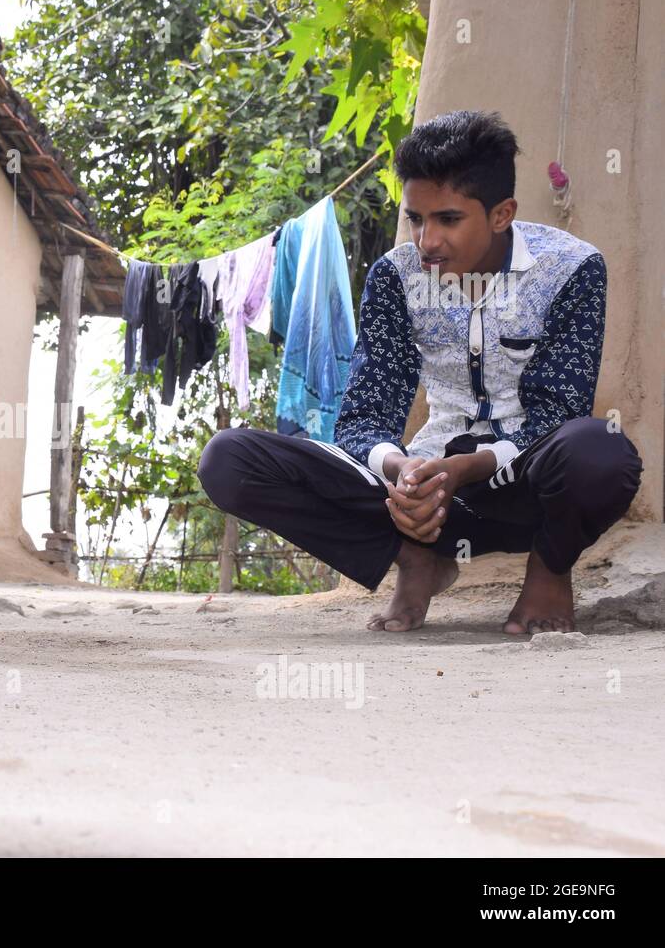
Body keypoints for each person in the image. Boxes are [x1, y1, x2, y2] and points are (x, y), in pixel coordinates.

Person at [198, 111, 641, 634]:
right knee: (228, 459)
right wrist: (400, 471)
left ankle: (549, 568)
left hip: (526, 486)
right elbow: (364, 417)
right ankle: (416, 558)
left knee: (600, 452)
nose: (426, 240)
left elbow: (558, 411)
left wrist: (468, 469)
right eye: (416, 219)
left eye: (448, 219)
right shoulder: (396, 276)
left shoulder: (572, 267)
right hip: (424, 497)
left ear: (502, 214)